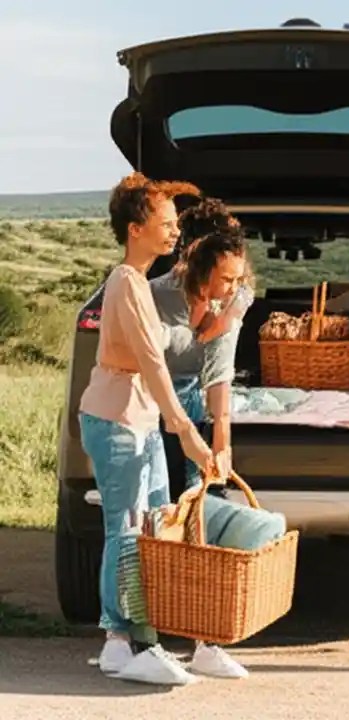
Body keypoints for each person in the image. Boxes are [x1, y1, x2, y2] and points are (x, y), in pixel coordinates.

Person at [77, 172, 213, 686]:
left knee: (154, 526)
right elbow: (152, 363)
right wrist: (188, 432)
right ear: (136, 229)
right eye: (166, 223)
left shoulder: (138, 283)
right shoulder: (125, 283)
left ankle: (140, 636)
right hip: (117, 421)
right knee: (127, 531)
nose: (175, 231)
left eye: (176, 223)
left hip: (140, 420)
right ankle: (122, 641)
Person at [150, 198, 255, 678]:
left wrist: (222, 439)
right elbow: (156, 363)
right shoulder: (156, 294)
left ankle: (203, 639)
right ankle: (146, 635)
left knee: (196, 518)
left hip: (192, 404)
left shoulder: (236, 293)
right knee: (155, 522)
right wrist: (209, 324)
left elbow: (219, 372)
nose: (234, 283)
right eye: (225, 273)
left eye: (237, 274)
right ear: (194, 256)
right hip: (150, 407)